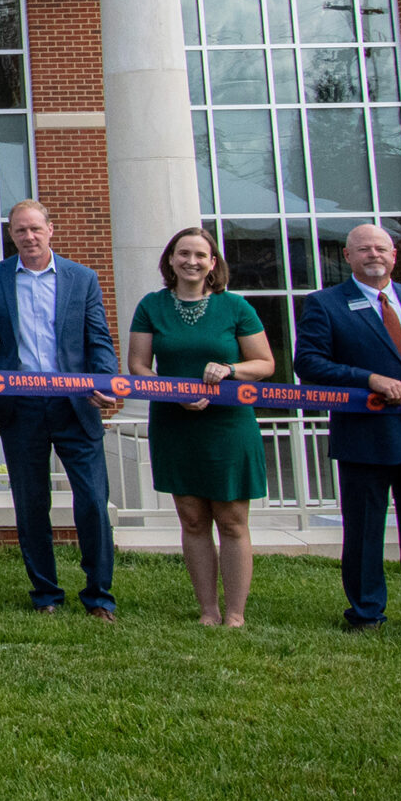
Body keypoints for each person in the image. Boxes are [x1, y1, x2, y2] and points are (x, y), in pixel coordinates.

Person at [295, 223, 401, 637]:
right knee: (364, 534)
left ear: (394, 255)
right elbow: (309, 363)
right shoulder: (325, 304)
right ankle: (366, 614)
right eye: (364, 249)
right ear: (347, 256)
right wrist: (368, 379)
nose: (374, 255)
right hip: (364, 438)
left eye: (381, 248)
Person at [0, 199, 121, 620]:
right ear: (11, 234)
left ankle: (99, 597)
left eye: (36, 228)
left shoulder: (82, 278)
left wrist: (105, 382)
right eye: (20, 230)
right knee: (31, 504)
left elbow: (98, 339)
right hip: (20, 407)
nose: (29, 236)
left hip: (76, 405)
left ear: (50, 229)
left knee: (93, 502)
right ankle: (46, 595)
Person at [125, 226, 274, 627]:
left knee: (231, 519)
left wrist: (230, 370)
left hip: (228, 426)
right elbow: (138, 366)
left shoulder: (235, 306)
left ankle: (235, 614)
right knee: (192, 519)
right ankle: (208, 610)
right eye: (183, 254)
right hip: (176, 422)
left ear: (212, 263)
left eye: (200, 255)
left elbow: (265, 364)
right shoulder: (151, 306)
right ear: (170, 260)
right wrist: (173, 393)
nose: (191, 261)